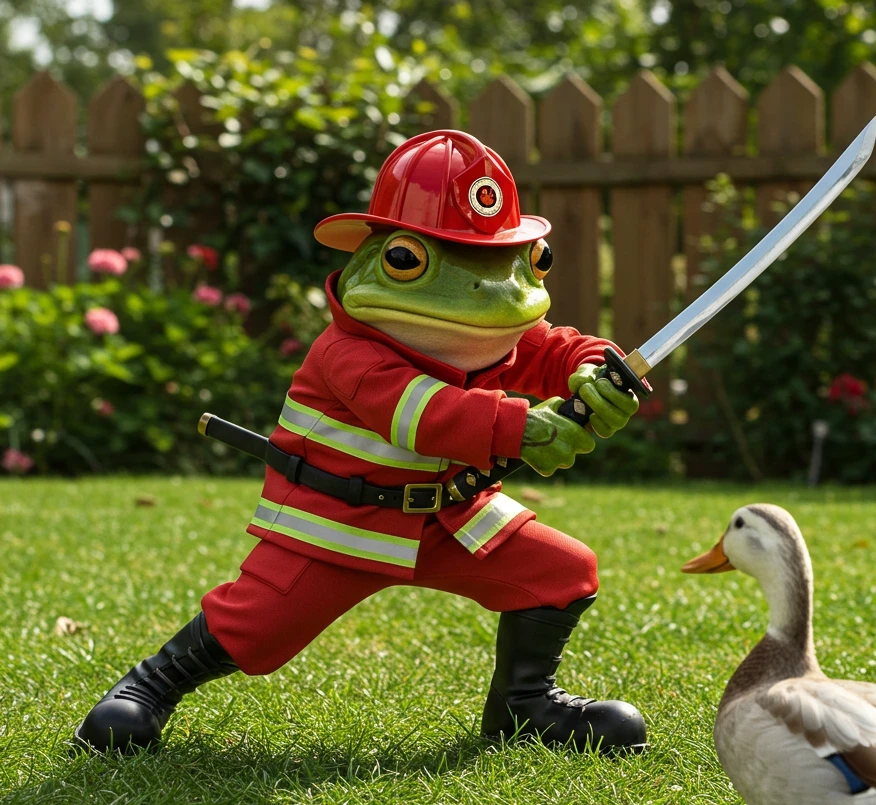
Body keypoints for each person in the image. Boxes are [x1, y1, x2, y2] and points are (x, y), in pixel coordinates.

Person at [75, 129, 646, 756]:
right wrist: (523, 427)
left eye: (525, 262)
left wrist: (599, 365)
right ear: (374, 259)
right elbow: (421, 415)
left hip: (449, 511)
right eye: (414, 260)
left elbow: (554, 346)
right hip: (338, 520)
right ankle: (151, 684)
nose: (494, 293)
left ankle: (524, 705)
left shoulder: (492, 332)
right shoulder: (347, 352)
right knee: (258, 627)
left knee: (561, 571)